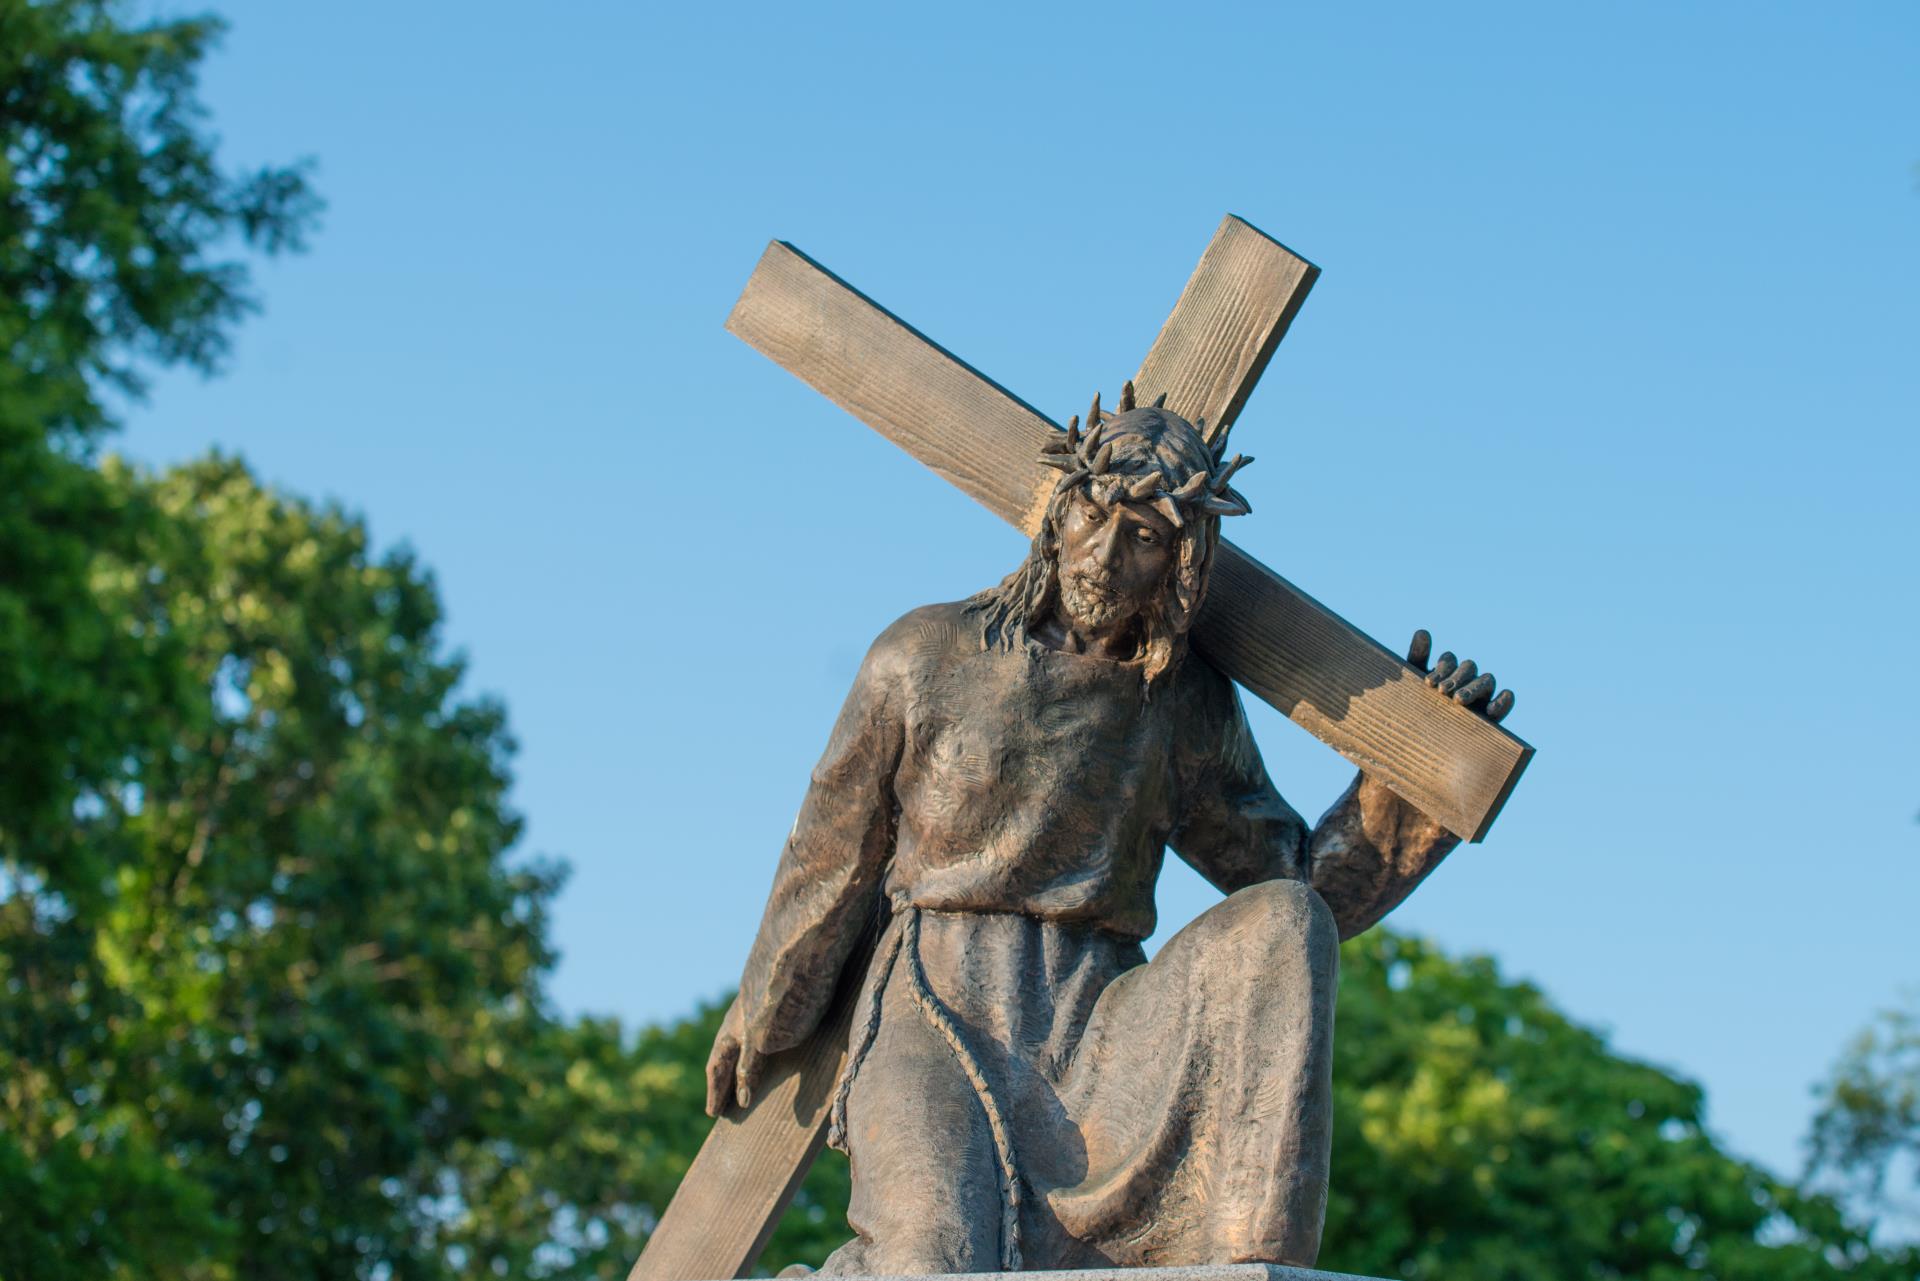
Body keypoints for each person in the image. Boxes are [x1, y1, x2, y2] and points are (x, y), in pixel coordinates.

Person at [705, 389, 1514, 1273]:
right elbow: (831, 853)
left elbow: (1295, 880)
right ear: (1060, 509)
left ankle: (1250, 1265)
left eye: (1145, 538)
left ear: (1181, 562)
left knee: (1279, 923)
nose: (1105, 555)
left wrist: (1405, 787)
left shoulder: (1179, 701)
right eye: (1096, 514)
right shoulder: (924, 653)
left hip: (1098, 1029)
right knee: (931, 1256)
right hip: (935, 1008)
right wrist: (768, 1000)